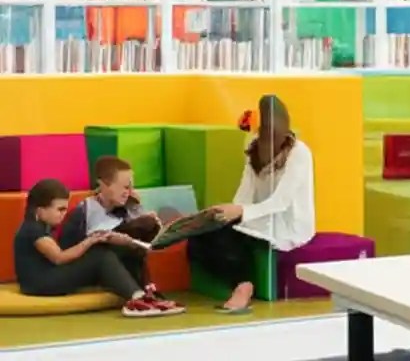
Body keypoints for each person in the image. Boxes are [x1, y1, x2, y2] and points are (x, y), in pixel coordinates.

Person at [187, 94, 316, 313]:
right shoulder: (254, 148)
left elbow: (281, 202)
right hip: (257, 217)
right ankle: (240, 283)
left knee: (227, 238)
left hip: (287, 225)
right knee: (199, 238)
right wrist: (227, 212)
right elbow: (244, 194)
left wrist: (241, 212)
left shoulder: (299, 153)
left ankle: (243, 286)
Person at [13, 178, 182, 317]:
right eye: (60, 209)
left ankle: (144, 292)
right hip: (40, 283)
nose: (63, 214)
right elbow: (59, 257)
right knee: (100, 257)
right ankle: (137, 299)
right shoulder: (32, 229)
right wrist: (90, 240)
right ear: (40, 210)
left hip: (46, 277)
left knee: (111, 250)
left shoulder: (42, 225)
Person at [59, 156, 166, 297]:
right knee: (142, 227)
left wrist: (142, 212)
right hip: (92, 261)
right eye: (126, 187)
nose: (129, 192)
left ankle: (145, 288)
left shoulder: (129, 205)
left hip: (123, 257)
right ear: (104, 185)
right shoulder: (85, 210)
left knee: (147, 229)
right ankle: (139, 291)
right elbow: (68, 248)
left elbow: (147, 235)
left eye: (131, 187)